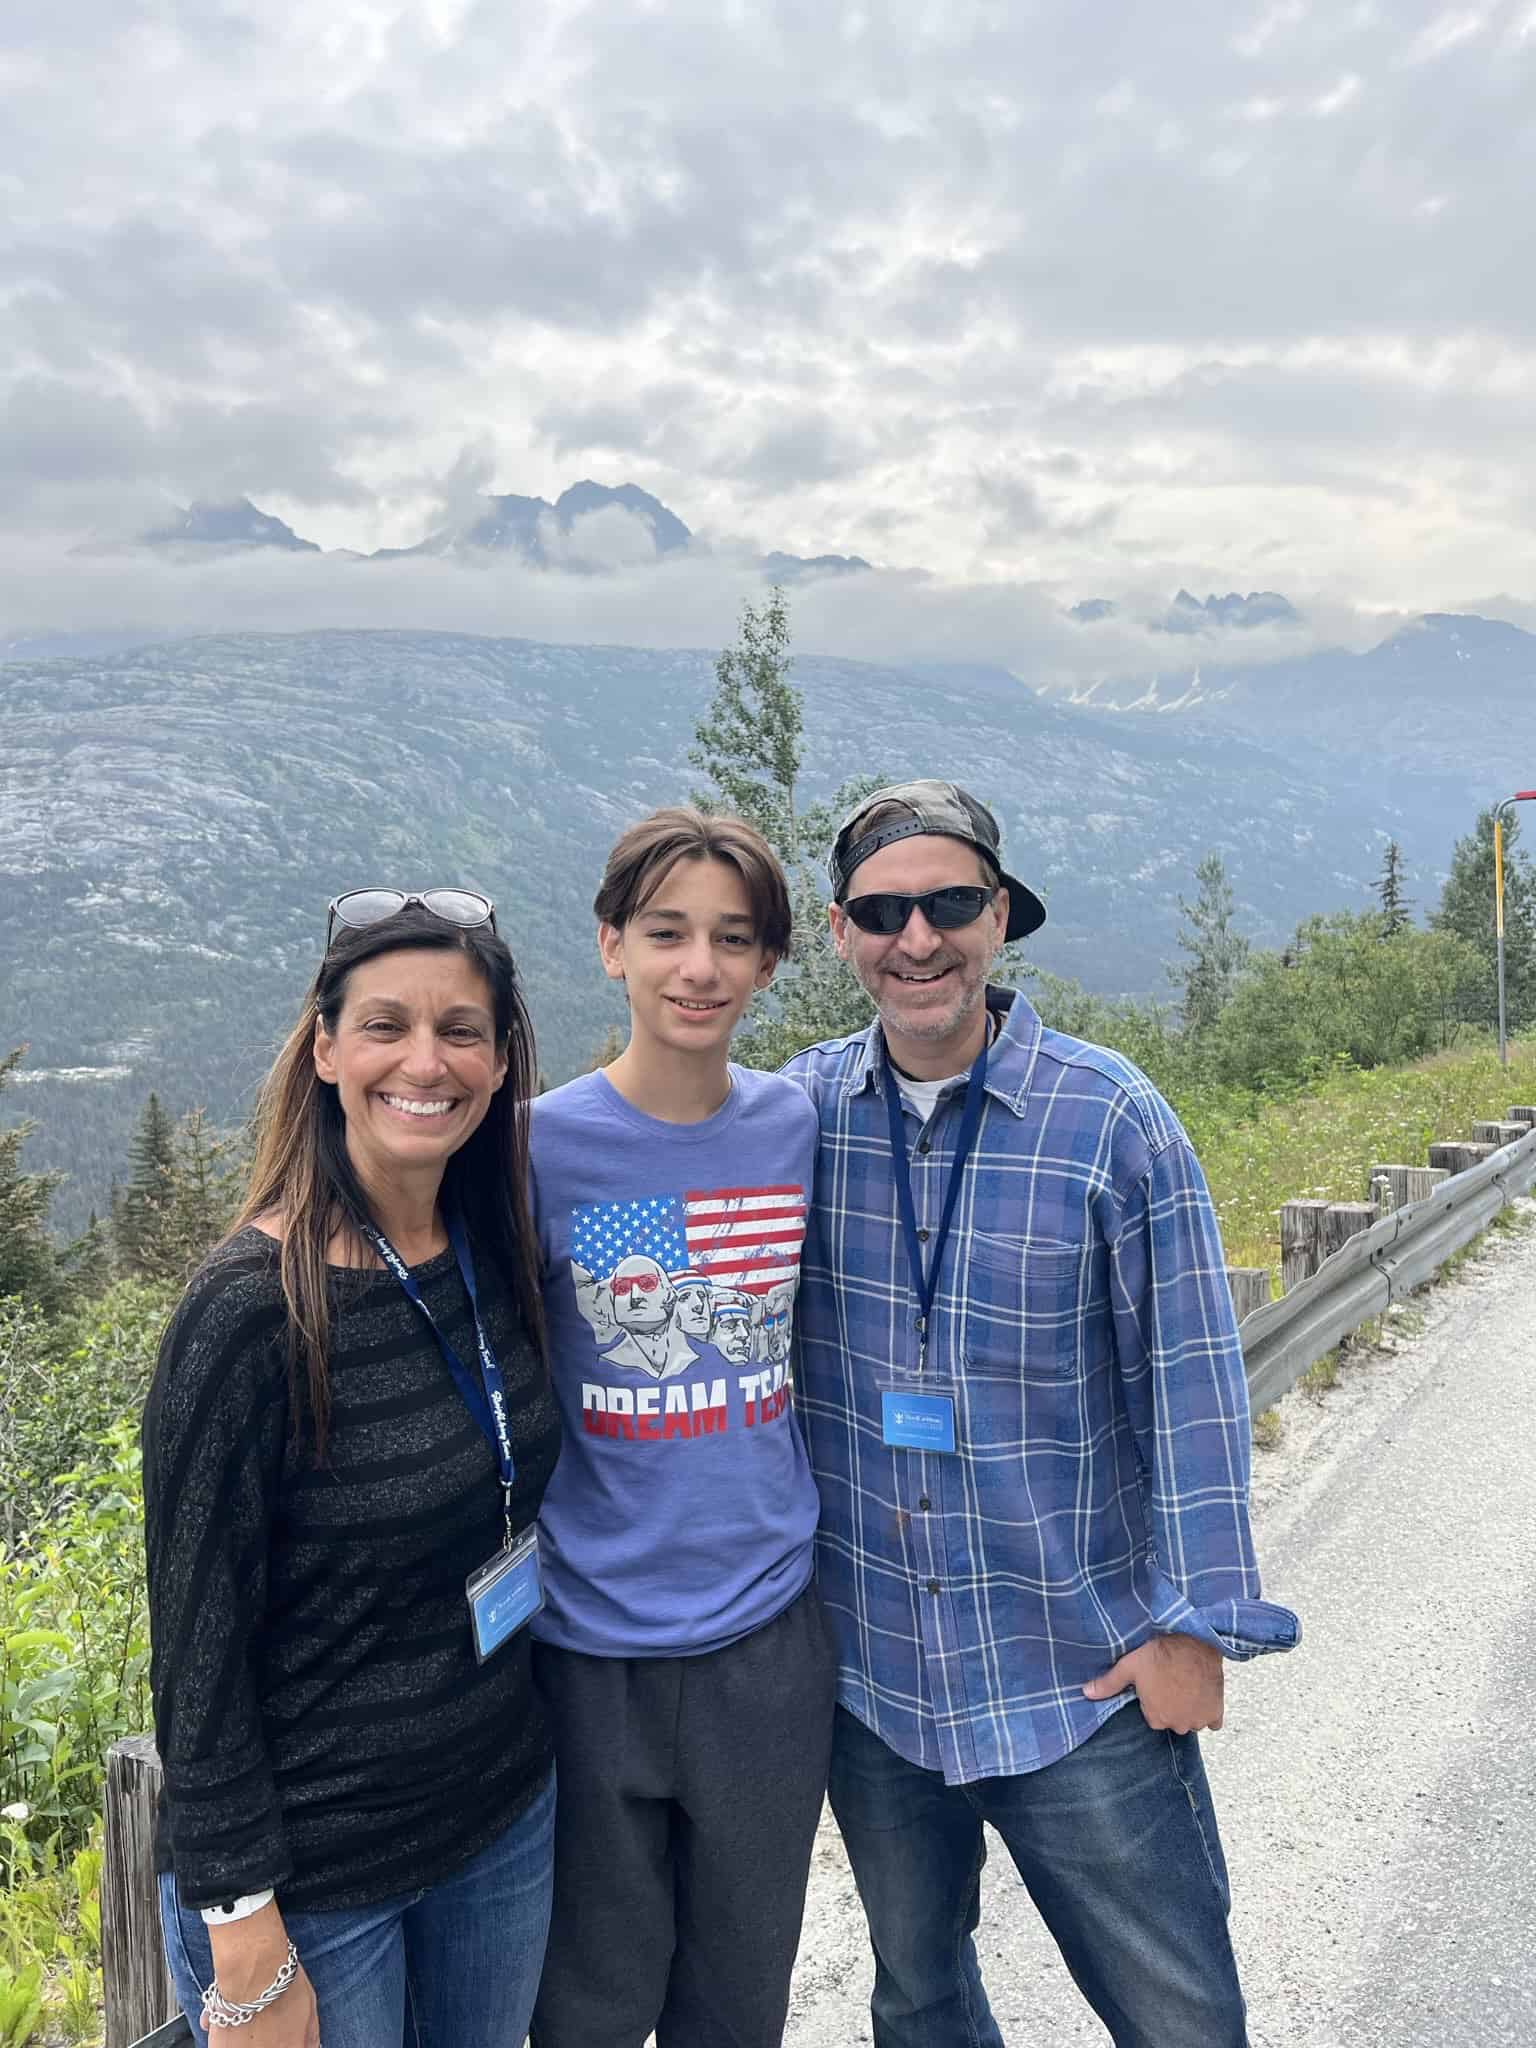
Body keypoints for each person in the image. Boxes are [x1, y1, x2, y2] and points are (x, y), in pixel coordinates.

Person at [781, 782, 1300, 2048]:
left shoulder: (1109, 1115)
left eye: (950, 904)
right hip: (880, 1683)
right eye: (885, 911)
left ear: (1000, 914)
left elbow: (1192, 1385)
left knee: (1178, 2007)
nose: (919, 939)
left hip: (1079, 1668)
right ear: (842, 931)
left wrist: (1197, 1628)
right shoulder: (794, 1116)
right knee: (917, 1994)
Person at [143, 889, 561, 2048]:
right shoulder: (248, 1312)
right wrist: (242, 1934)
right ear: (325, 1048)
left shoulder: (489, 1255)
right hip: (317, 1881)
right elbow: (196, 1648)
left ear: (500, 1058)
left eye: (462, 1029)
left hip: (500, 1815)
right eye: (385, 1024)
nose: (425, 1060)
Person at [527, 807, 837, 2048]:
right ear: (612, 946)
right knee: (586, 2007)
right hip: (581, 1646)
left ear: (767, 961)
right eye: (666, 932)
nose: (698, 966)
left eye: (731, 937)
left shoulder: (798, 1126)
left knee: (738, 2005)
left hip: (766, 1643)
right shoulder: (532, 1147)